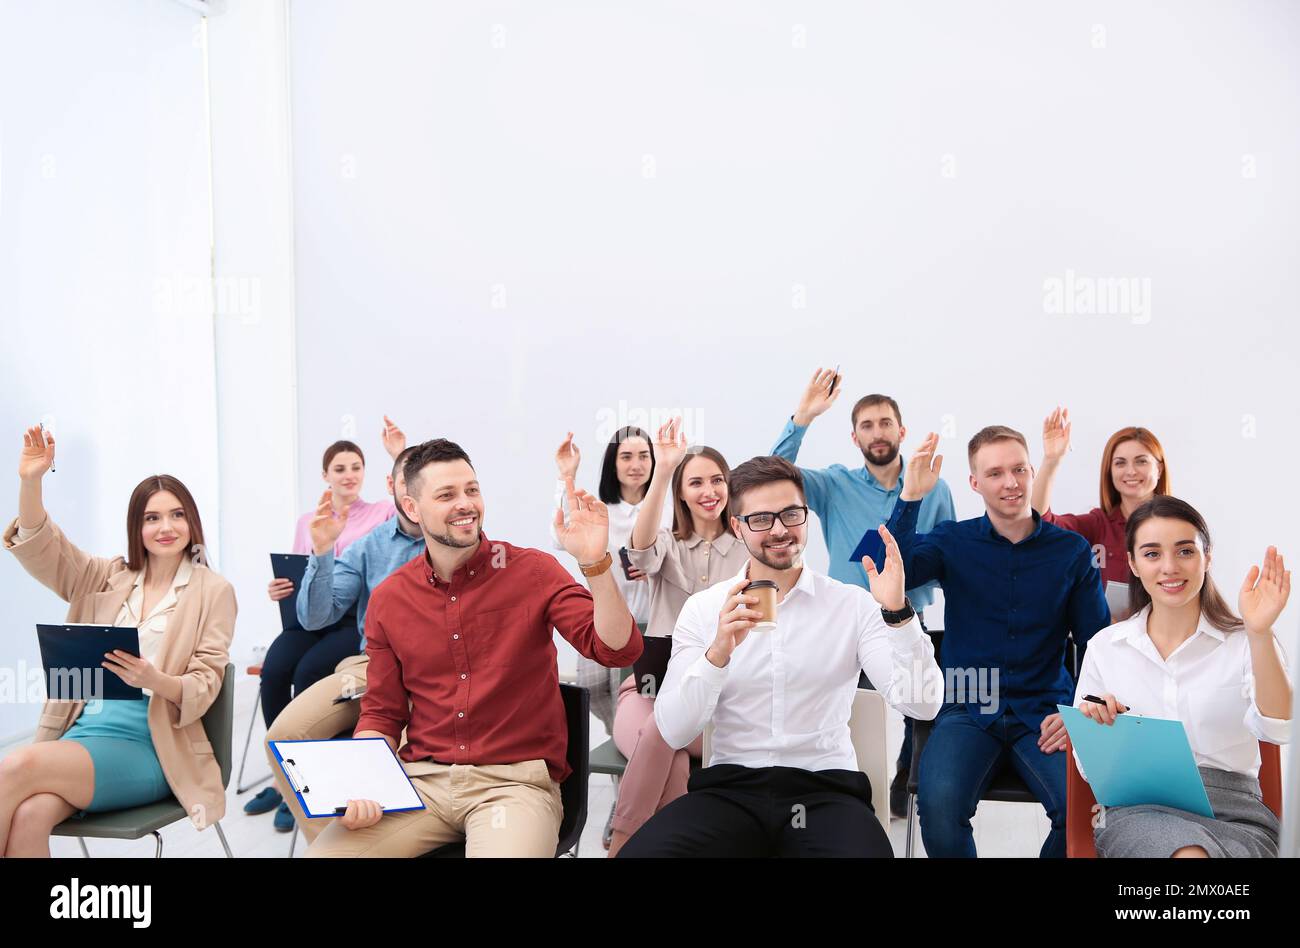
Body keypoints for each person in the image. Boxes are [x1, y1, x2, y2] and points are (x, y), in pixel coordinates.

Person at [307, 438, 642, 857]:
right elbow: (383, 712)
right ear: (412, 508)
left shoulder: (532, 571)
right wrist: (365, 781)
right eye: (446, 495)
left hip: (513, 785)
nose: (466, 503)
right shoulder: (391, 598)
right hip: (422, 782)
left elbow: (618, 650)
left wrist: (596, 564)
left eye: (472, 490)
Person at [619, 456, 943, 858]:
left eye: (791, 514)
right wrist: (717, 654)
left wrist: (899, 614)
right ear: (737, 526)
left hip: (826, 791)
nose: (779, 530)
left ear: (806, 517)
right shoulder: (706, 610)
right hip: (729, 792)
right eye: (760, 519)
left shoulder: (852, 605)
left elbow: (923, 705)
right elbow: (673, 731)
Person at [0, 426, 236, 856]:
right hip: (82, 733)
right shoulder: (107, 577)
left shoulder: (212, 591)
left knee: (14, 765)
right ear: (137, 526)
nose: (166, 526)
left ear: (192, 521)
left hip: (150, 745)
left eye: (177, 514)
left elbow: (205, 683)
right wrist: (31, 481)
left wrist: (154, 677)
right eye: (152, 517)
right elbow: (44, 546)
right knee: (29, 816)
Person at [884, 426, 1109, 858]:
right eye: (995, 473)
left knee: (1085, 811)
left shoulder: (1072, 552)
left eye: (1019, 469)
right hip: (968, 704)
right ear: (975, 483)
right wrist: (911, 495)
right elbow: (892, 569)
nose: (1010, 482)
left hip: (1046, 710)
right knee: (938, 805)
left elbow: (1096, 643)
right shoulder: (953, 540)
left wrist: (1084, 709)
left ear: (1030, 470)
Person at [772, 368, 956, 815]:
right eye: (867, 425)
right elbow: (775, 477)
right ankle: (838, 786)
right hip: (841, 618)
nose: (878, 433)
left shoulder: (934, 487)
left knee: (919, 704)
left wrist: (900, 580)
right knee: (839, 705)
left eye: (885, 423)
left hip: (904, 614)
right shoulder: (835, 484)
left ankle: (904, 776)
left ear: (901, 430)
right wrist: (803, 417)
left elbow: (944, 558)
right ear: (854, 437)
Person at [1074, 496, 1291, 858]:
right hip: (1140, 811)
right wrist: (1097, 725)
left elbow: (1279, 728)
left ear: (1207, 557)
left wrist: (1259, 633)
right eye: (1152, 553)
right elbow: (1086, 765)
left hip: (1237, 813)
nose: (1170, 567)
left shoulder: (1246, 640)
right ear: (1133, 563)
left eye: (1185, 551)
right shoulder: (1105, 647)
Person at [259, 446, 427, 840]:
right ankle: (328, 845)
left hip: (434, 676)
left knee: (403, 770)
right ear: (392, 486)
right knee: (282, 739)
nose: (415, 490)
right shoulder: (370, 544)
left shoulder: (459, 542)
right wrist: (321, 552)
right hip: (370, 668)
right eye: (407, 480)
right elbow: (316, 616)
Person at [606, 417, 747, 855]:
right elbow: (640, 549)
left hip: (721, 708)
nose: (709, 491)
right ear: (681, 493)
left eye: (717, 480)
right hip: (647, 692)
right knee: (665, 736)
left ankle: (624, 843)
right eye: (696, 482)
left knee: (670, 741)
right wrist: (662, 470)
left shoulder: (750, 549)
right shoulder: (667, 542)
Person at [550, 426, 666, 737]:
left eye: (644, 456)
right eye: (626, 456)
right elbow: (560, 536)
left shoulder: (664, 511)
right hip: (610, 619)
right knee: (595, 685)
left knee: (645, 702)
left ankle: (635, 752)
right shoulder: (601, 511)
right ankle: (621, 738)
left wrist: (655, 565)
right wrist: (567, 476)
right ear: (613, 464)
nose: (636, 464)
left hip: (653, 624)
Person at [1032, 407, 1172, 585]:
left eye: (1141, 461)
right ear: (1110, 471)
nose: (1131, 471)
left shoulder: (1178, 523)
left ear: (1159, 469)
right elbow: (1041, 523)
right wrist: (1051, 460)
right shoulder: (1097, 525)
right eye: (1120, 463)